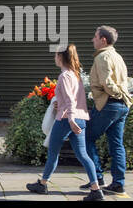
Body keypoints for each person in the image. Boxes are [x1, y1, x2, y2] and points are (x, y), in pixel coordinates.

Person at [26, 45, 103, 200]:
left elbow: (69, 100)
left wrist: (71, 119)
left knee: (53, 153)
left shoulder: (65, 76)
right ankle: (96, 189)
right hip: (80, 119)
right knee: (83, 155)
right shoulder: (75, 75)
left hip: (66, 120)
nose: (54, 57)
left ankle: (42, 184)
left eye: (56, 55)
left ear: (60, 57)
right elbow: (73, 99)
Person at [86, 25, 132, 195]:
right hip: (121, 106)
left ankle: (96, 179)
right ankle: (118, 184)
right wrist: (123, 96)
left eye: (95, 37)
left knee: (86, 138)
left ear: (103, 40)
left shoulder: (102, 57)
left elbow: (106, 82)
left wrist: (117, 94)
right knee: (117, 144)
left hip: (109, 104)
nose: (93, 40)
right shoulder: (117, 56)